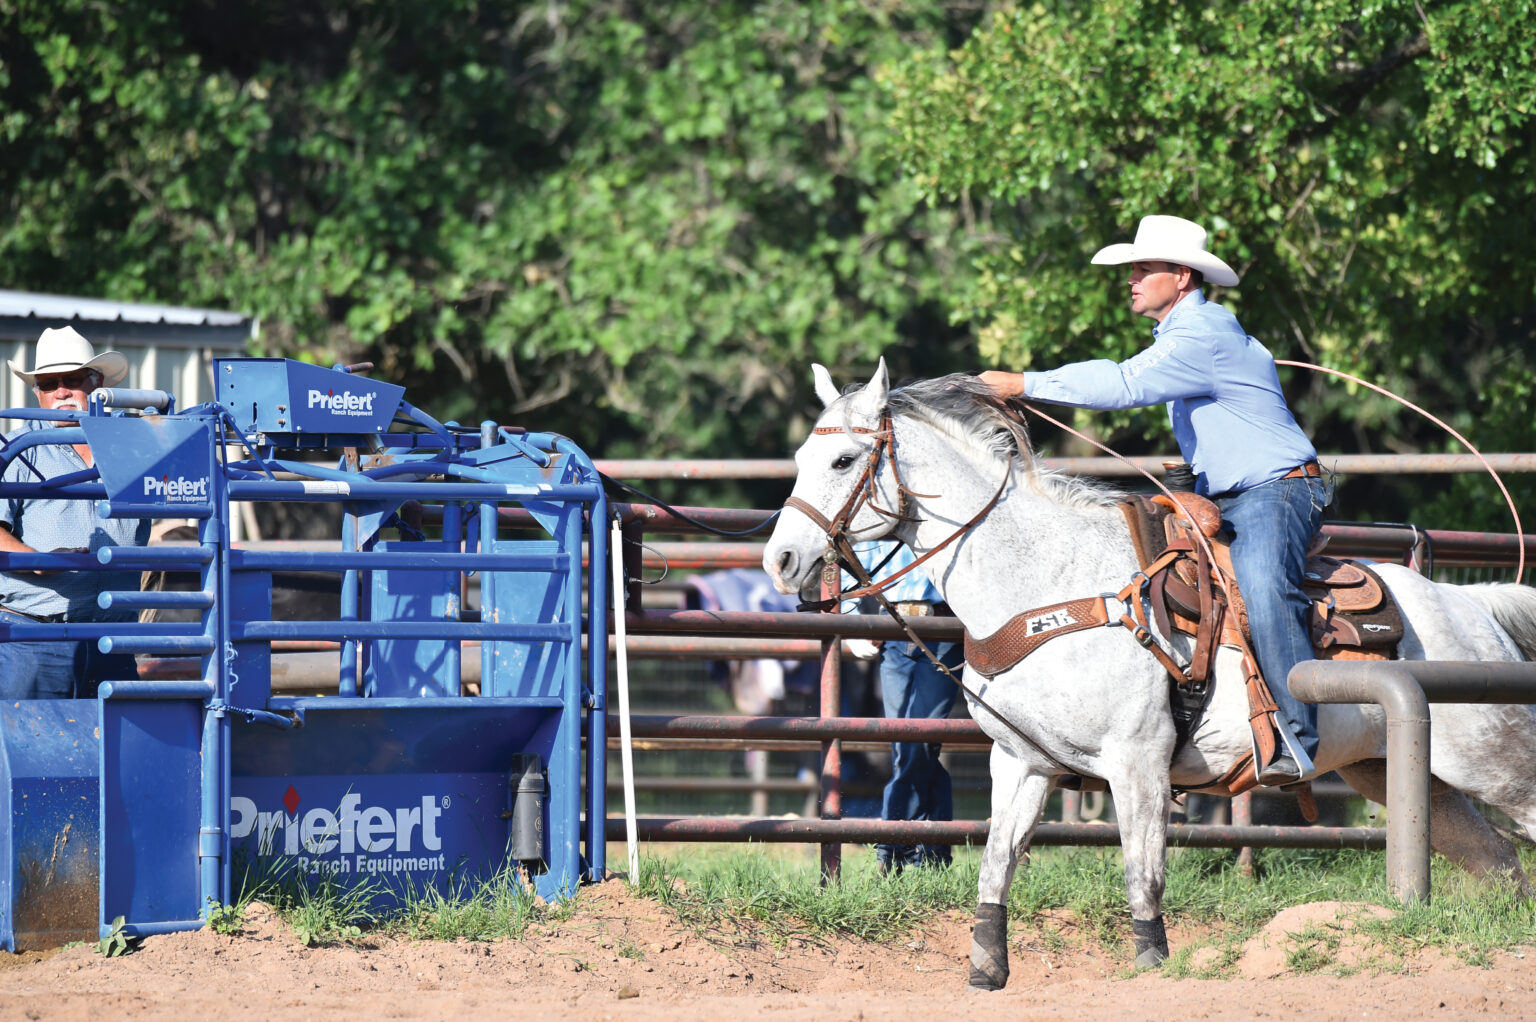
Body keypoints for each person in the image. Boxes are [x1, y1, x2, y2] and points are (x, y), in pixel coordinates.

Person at [978, 215, 1328, 786]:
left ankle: (1298, 735)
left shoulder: (1203, 335)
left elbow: (1122, 384)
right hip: (1233, 492)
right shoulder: (1191, 337)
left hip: (1275, 489)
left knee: (1265, 588)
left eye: (1143, 269)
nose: (1132, 280)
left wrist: (1025, 384)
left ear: (1181, 277)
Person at [0, 325, 149, 699]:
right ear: (37, 393)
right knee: (32, 749)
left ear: (96, 383)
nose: (61, 391)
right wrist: (40, 560)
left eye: (73, 379)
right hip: (35, 639)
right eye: (49, 383)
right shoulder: (18, 450)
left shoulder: (131, 445)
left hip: (114, 639)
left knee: (116, 751)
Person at [844, 538, 963, 871]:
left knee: (919, 742)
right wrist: (853, 621)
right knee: (909, 747)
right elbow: (843, 562)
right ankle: (932, 852)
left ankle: (892, 844)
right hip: (894, 628)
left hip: (943, 629)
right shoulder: (879, 525)